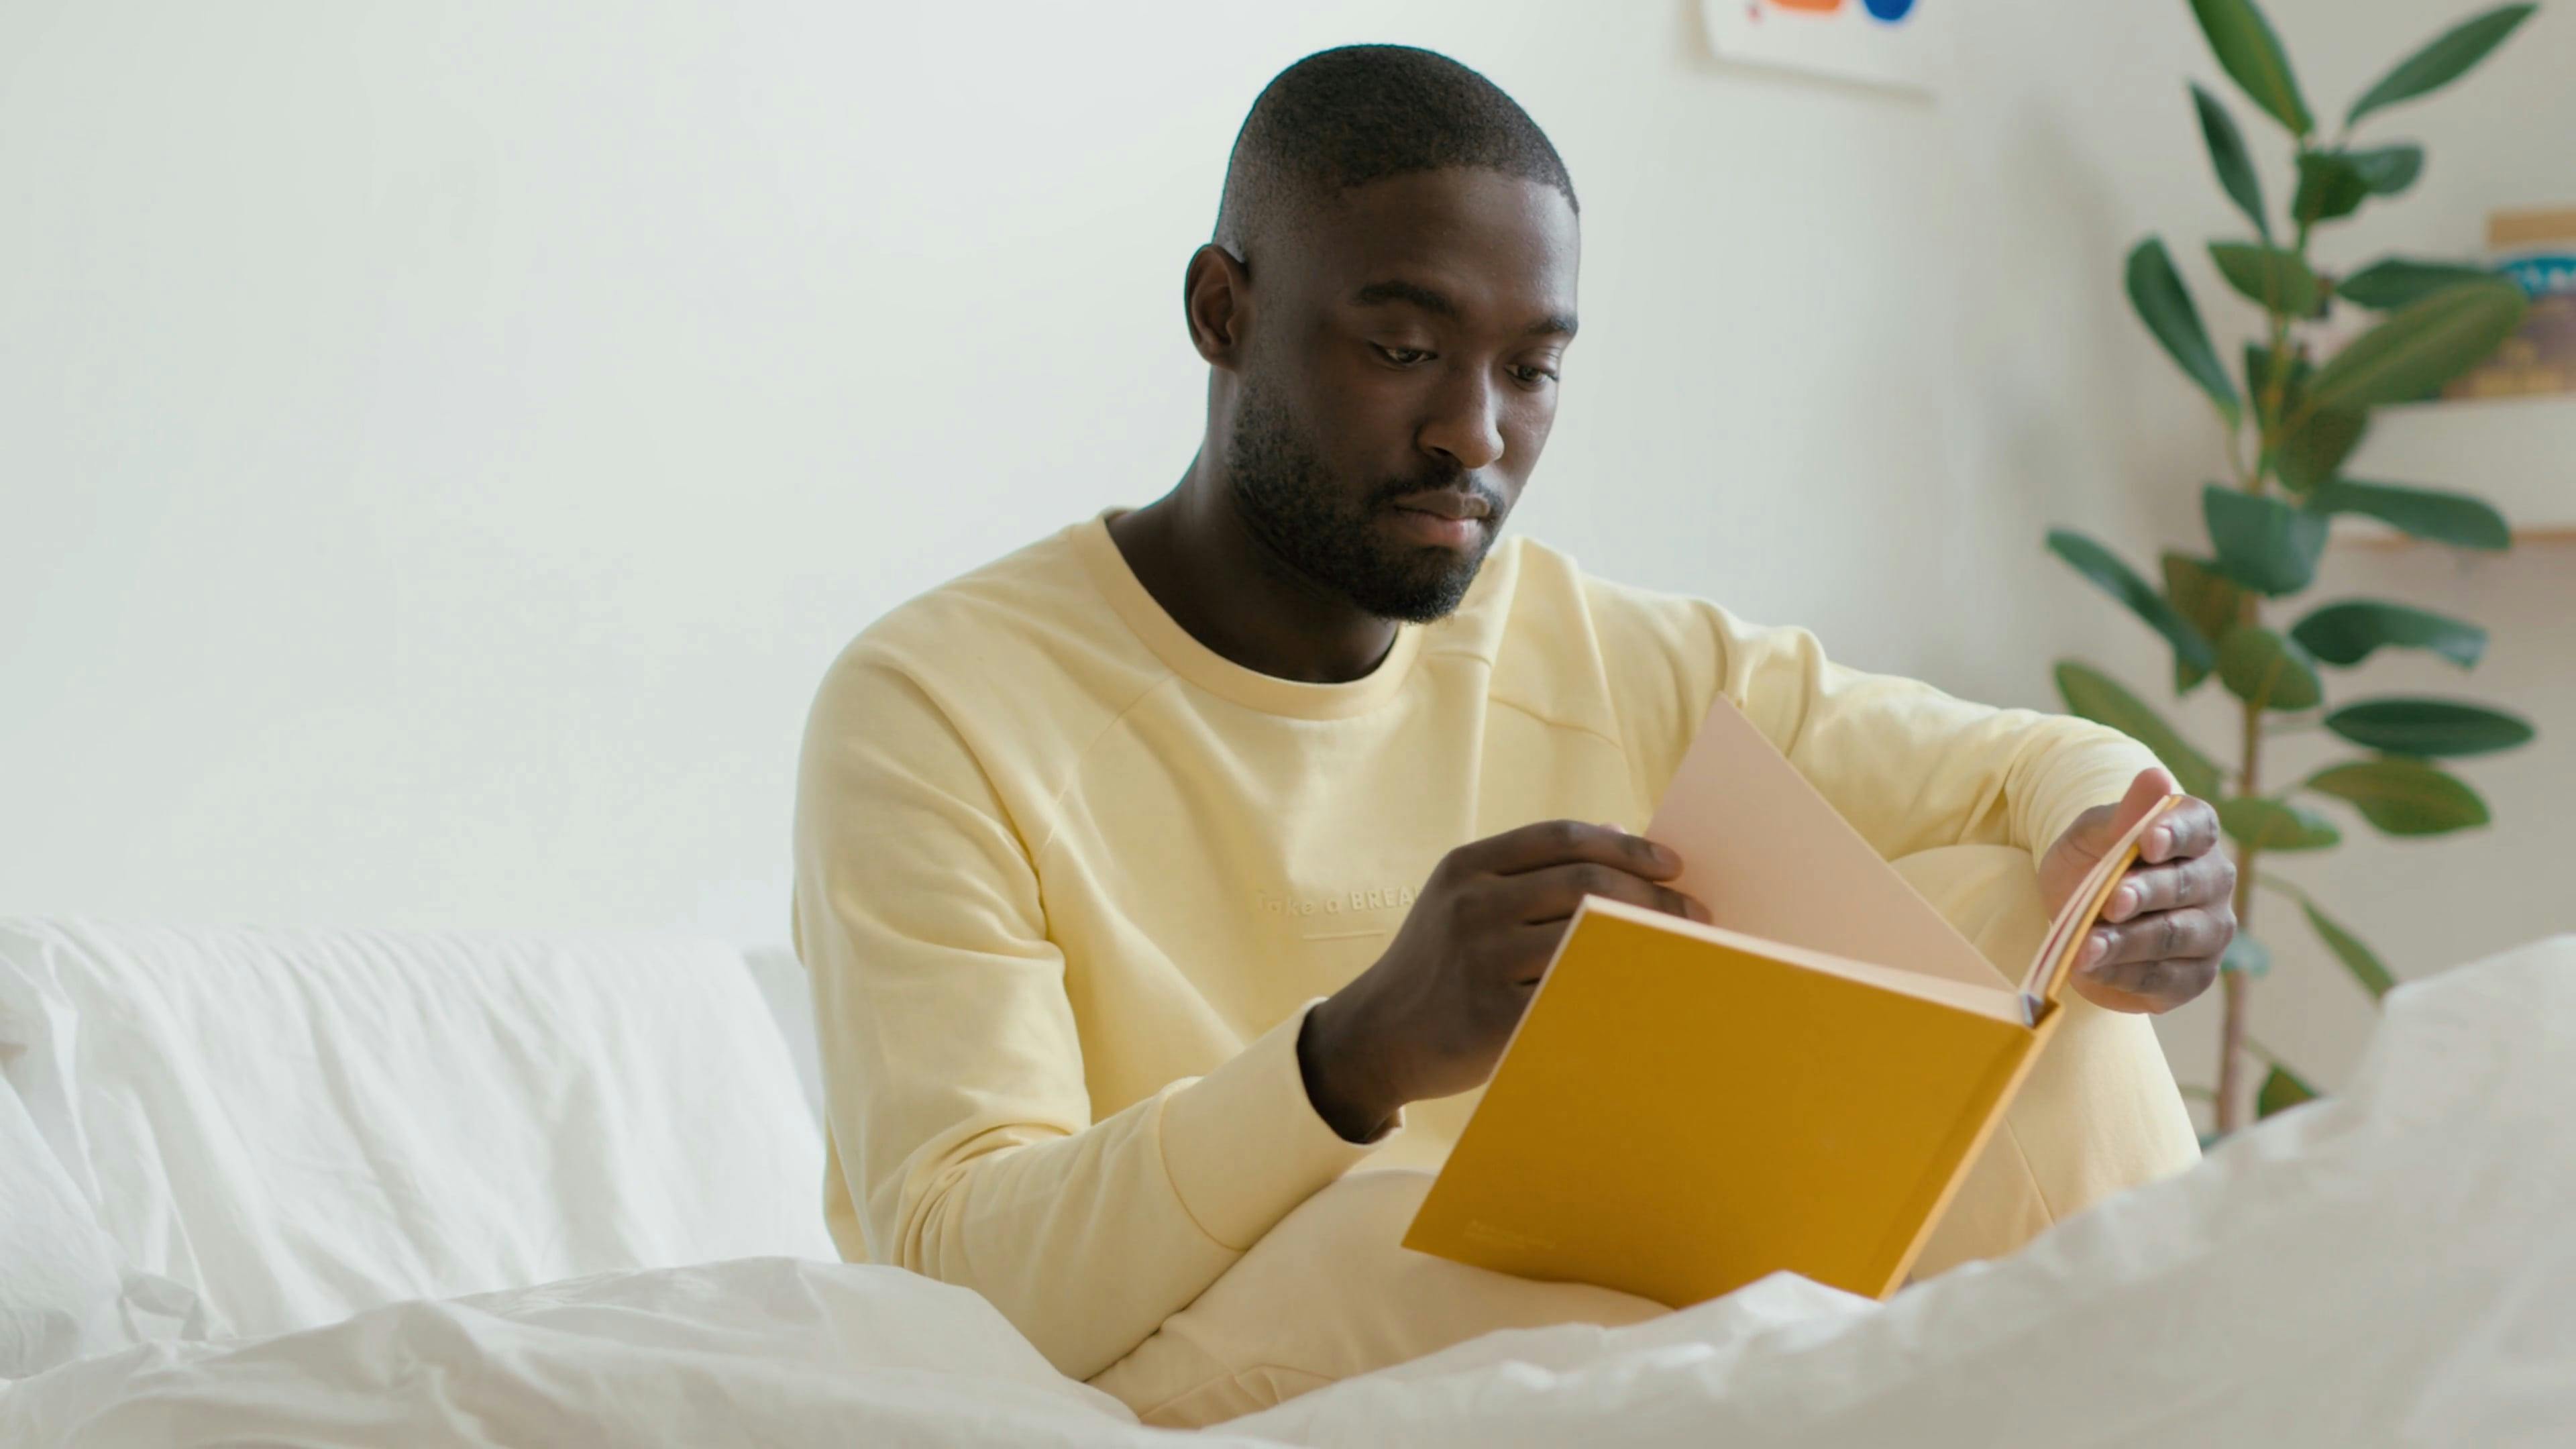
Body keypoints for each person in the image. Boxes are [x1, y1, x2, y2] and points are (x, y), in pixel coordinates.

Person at [792, 44, 2231, 1430]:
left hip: (1580, 1298)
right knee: (1386, 1234)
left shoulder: (1600, 649)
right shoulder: (936, 702)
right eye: (1404, 347)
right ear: (1223, 312)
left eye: (1531, 370)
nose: (1473, 434)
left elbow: (2034, 764)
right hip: (1165, 1354)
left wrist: (2136, 860)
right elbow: (958, 1276)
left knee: (2010, 921)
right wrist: (1350, 1057)